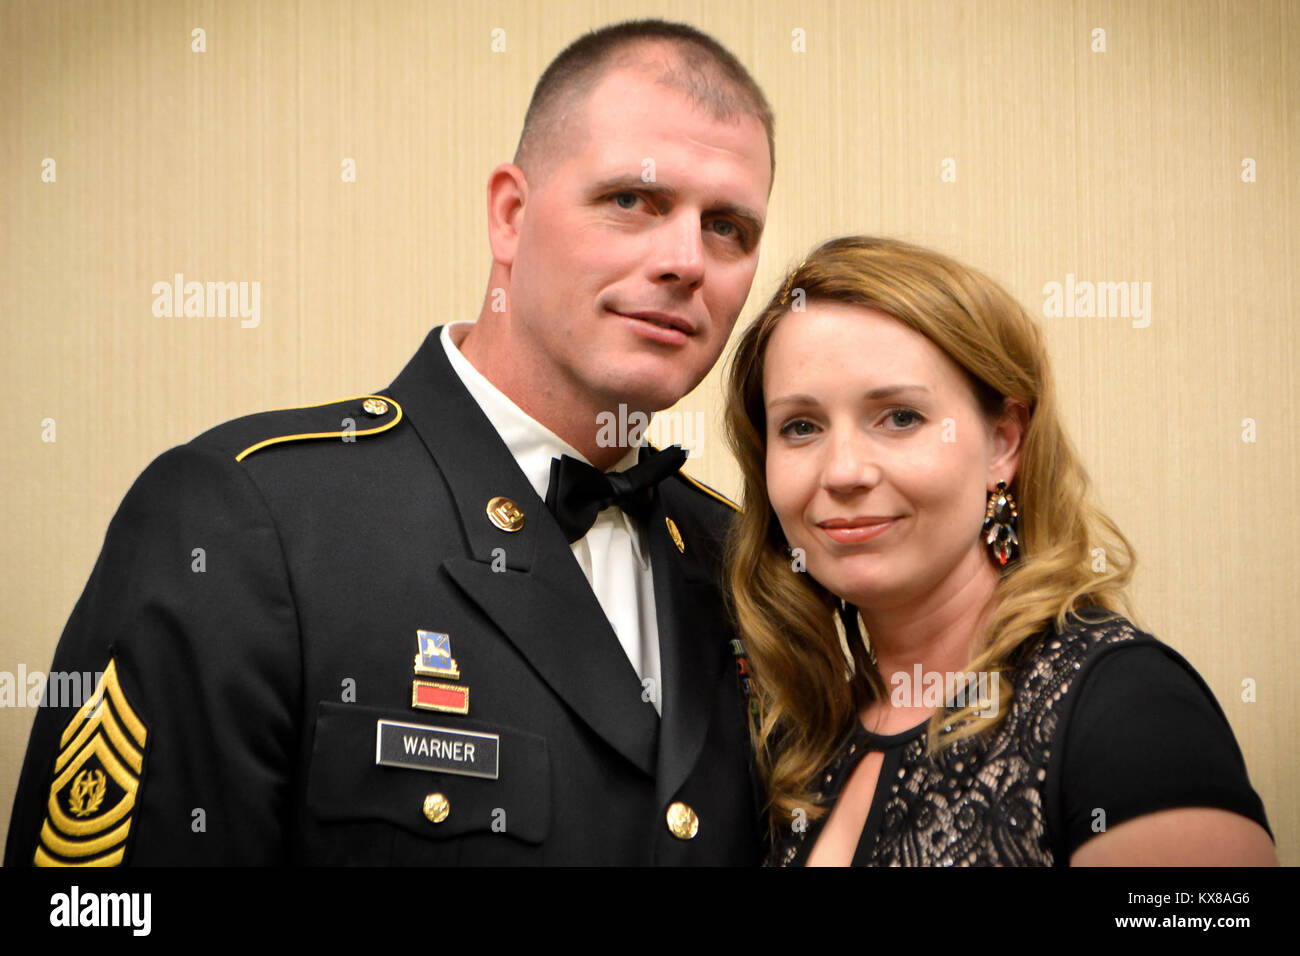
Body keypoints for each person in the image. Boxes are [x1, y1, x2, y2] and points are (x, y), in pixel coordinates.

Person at [6, 19, 774, 866]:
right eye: (634, 200)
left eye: (728, 228)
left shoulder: (745, 563)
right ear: (510, 216)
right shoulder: (245, 519)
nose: (685, 260)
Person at [723, 235, 1277, 866]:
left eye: (900, 417)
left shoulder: (1126, 707)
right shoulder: (804, 740)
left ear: (1002, 445)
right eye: (801, 426)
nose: (843, 470)